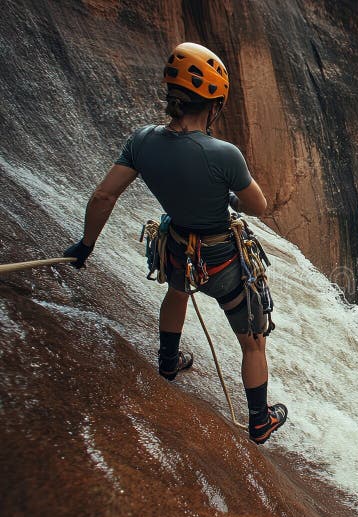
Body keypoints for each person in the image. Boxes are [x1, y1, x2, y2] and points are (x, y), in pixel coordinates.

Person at [64, 42, 287, 445]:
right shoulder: (224, 154)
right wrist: (230, 195)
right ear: (214, 105)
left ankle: (168, 363)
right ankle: (259, 420)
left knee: (177, 293)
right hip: (222, 259)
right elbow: (258, 205)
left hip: (177, 248)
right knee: (252, 342)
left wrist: (86, 245)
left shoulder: (142, 141)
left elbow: (103, 197)